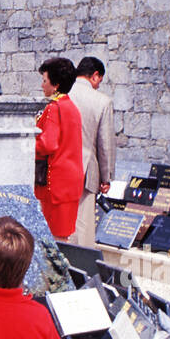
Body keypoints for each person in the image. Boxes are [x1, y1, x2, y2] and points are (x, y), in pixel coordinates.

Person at [67, 56, 116, 247]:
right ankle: (82, 270)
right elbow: (105, 143)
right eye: (99, 82)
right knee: (84, 224)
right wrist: (106, 177)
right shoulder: (102, 101)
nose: (98, 86)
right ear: (95, 76)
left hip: (57, 168)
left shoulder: (61, 94)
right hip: (85, 168)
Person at [34, 56, 83, 239]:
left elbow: (47, 143)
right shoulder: (71, 107)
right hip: (70, 181)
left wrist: (27, 143)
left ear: (55, 85)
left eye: (44, 80)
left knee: (51, 238)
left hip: (55, 184)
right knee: (63, 236)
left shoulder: (54, 108)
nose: (42, 85)